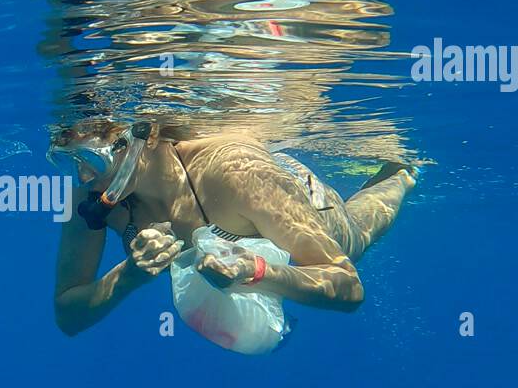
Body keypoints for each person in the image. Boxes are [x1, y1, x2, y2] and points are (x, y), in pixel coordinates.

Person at [50, 120, 416, 337]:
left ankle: (400, 174)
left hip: (303, 202)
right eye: (69, 160)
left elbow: (349, 286)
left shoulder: (236, 174)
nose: (84, 175)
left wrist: (255, 272)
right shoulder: (93, 199)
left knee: (357, 234)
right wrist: (129, 275)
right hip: (256, 223)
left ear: (138, 138)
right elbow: (68, 315)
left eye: (92, 158)